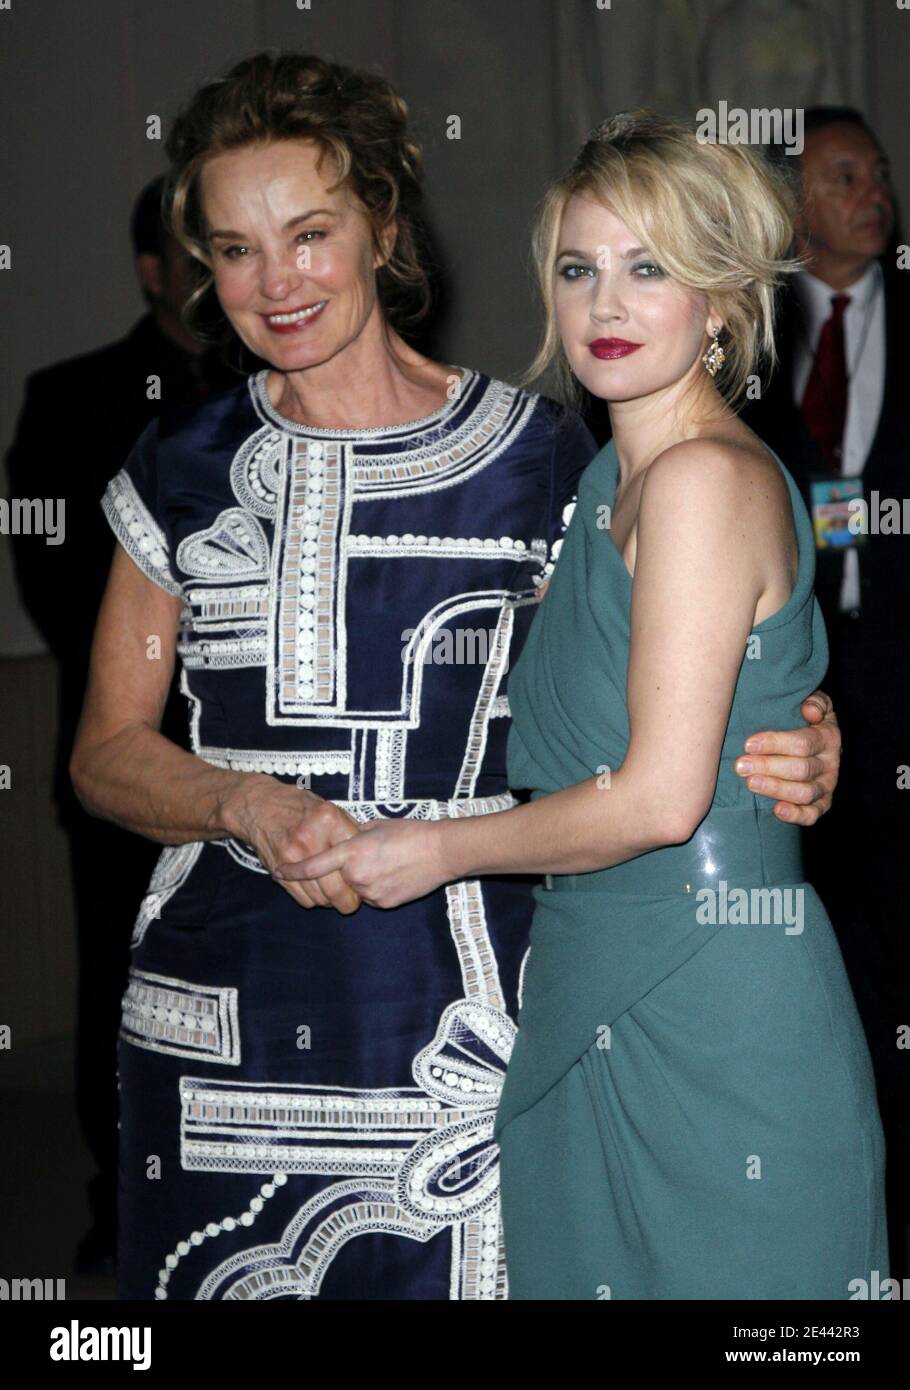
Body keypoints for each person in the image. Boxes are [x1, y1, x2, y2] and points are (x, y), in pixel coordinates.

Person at [70, 56, 842, 1302]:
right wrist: (244, 804)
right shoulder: (180, 465)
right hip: (222, 1010)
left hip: (481, 1011)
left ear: (383, 225)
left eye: (310, 233)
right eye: (234, 248)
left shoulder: (544, 460)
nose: (277, 282)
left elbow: (671, 668)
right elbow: (104, 748)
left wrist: (796, 730)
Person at [287, 110, 887, 1300]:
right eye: (579, 268)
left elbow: (661, 797)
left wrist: (430, 853)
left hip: (713, 1000)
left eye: (648, 268)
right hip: (585, 973)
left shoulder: (706, 482)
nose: (605, 304)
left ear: (718, 302)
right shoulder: (605, 481)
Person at [5, 177, 237, 1275]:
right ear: (154, 269)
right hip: (127, 755)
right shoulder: (69, 396)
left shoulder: (277, 388)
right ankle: (122, 1200)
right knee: (118, 988)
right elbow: (57, 588)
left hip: (264, 758)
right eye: (208, 251)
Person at [742, 107, 910, 1277]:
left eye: (877, 170)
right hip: (787, 690)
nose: (871, 190)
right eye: (841, 175)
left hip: (908, 677)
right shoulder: (738, 333)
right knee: (819, 948)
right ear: (792, 203)